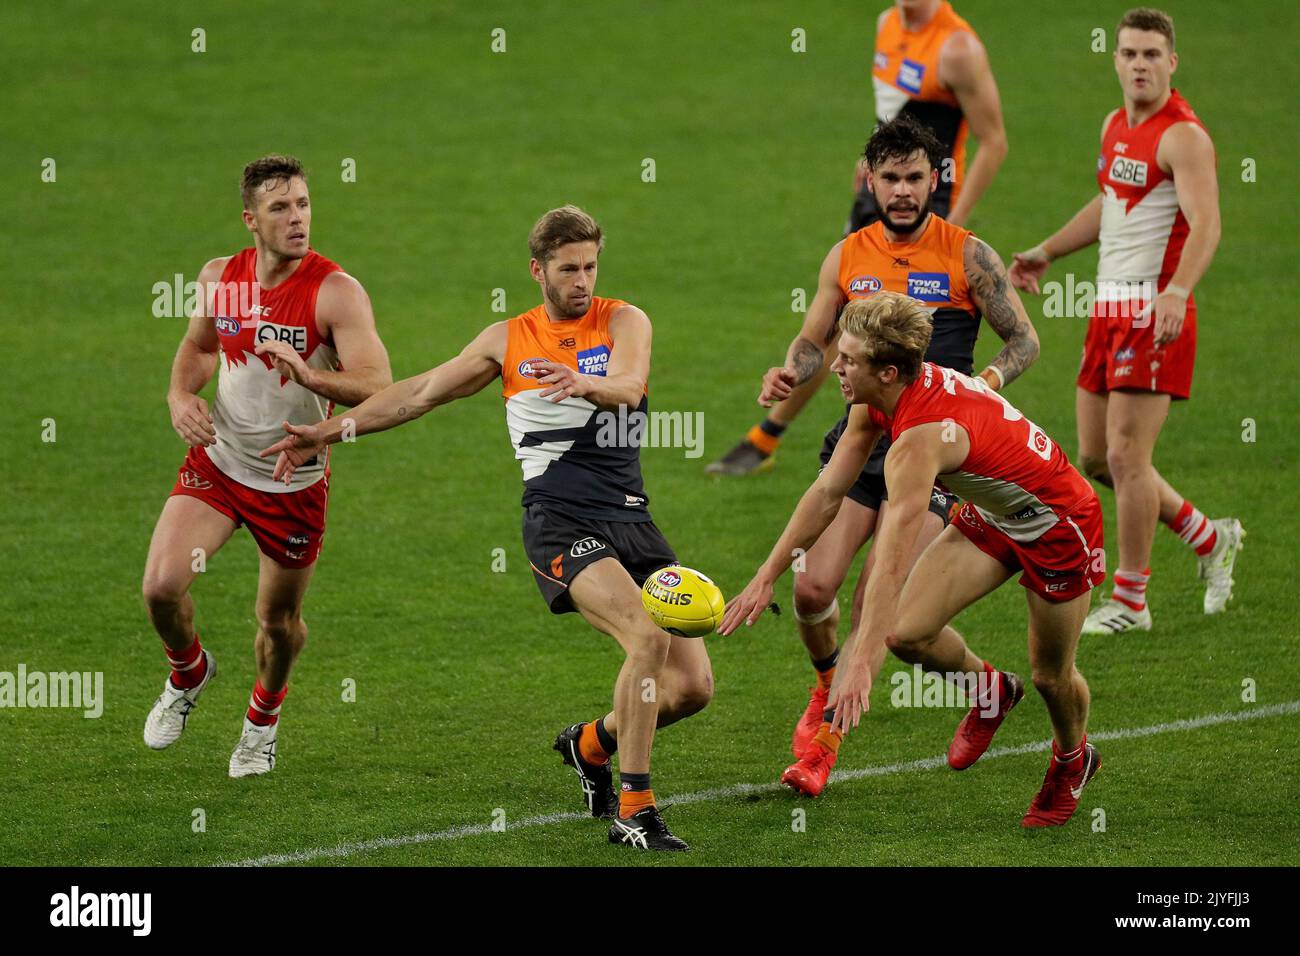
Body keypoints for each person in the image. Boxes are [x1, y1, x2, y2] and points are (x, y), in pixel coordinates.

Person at [259, 206, 712, 851]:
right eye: (568, 269)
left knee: (692, 688)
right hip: (559, 521)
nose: (582, 280)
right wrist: (327, 430)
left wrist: (585, 382)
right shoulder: (507, 340)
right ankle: (634, 810)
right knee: (646, 637)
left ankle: (589, 744)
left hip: (631, 518)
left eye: (590, 267)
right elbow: (418, 393)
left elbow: (631, 387)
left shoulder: (623, 319)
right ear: (537, 271)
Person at [715, 116, 1039, 795]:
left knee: (876, 609)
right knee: (811, 589)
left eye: (914, 177)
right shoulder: (849, 255)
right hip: (864, 435)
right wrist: (790, 373)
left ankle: (822, 751)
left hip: (938, 453)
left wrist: (983, 388)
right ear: (870, 179)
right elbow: (814, 341)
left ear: (935, 179)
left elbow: (1024, 343)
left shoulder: (967, 255)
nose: (900, 191)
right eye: (889, 178)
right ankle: (953, 685)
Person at [723, 292, 1102, 827]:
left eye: (849, 360)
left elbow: (892, 564)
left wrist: (858, 667)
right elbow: (829, 491)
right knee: (906, 634)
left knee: (1051, 676)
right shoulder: (877, 397)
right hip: (994, 517)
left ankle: (1073, 758)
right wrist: (767, 575)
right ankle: (991, 690)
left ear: (890, 371)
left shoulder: (920, 441)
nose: (835, 366)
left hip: (1059, 528)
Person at [141, 155, 393, 777]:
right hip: (219, 463)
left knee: (277, 623)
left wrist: (310, 373)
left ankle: (262, 719)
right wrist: (179, 395)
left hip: (291, 480)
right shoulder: (219, 276)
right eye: (281, 208)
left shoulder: (336, 291)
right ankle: (189, 671)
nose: (297, 218)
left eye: (303, 204)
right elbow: (200, 348)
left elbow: (379, 383)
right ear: (250, 219)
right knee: (160, 589)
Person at [1009, 7, 1242, 635]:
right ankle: (1207, 535)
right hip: (1107, 309)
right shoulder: (1116, 125)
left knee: (1127, 455)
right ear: (1114, 59)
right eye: (1129, 53)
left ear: (1171, 62)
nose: (1139, 64)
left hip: (1153, 310)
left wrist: (1178, 291)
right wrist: (1049, 250)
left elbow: (1208, 222)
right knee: (1097, 458)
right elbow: (1111, 203)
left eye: (1151, 55)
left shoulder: (1183, 137)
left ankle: (1131, 601)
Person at [708, 0, 1008, 476]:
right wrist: (870, 161)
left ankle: (902, 448)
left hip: (930, 202)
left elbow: (994, 140)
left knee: (895, 330)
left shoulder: (957, 49)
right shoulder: (887, 24)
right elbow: (893, 110)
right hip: (880, 189)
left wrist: (950, 224)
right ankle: (782, 433)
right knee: (842, 313)